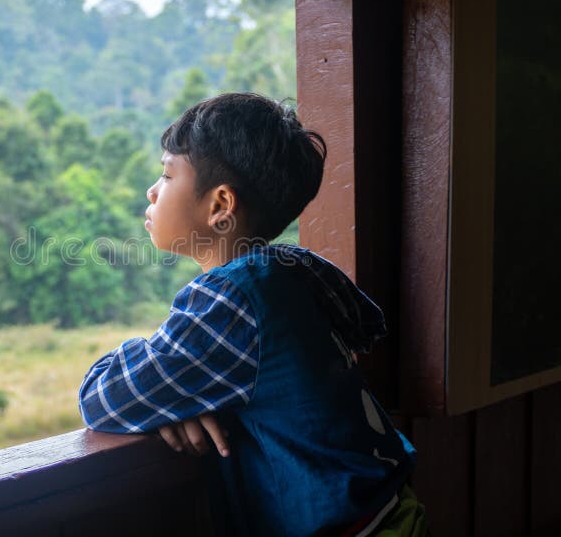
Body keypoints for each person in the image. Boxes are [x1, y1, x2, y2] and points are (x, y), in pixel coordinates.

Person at [78, 93, 428, 536]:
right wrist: (188, 391)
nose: (152, 189)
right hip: (393, 512)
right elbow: (364, 327)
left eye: (167, 174)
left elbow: (103, 398)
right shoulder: (292, 268)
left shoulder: (229, 301)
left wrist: (178, 389)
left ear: (221, 204)